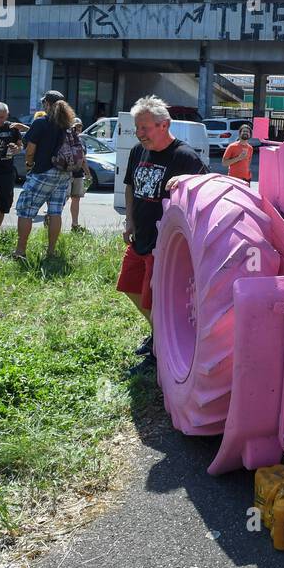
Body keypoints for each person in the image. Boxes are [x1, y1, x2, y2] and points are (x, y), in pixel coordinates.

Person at [116, 96, 207, 374]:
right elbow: (130, 186)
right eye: (137, 128)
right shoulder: (137, 151)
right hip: (139, 236)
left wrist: (190, 182)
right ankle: (159, 335)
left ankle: (159, 353)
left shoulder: (184, 157)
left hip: (165, 245)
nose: (139, 134)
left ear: (164, 124)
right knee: (129, 287)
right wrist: (129, 220)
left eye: (145, 128)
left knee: (155, 299)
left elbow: (206, 191)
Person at [12, 92, 78, 261]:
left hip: (43, 172)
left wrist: (28, 164)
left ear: (47, 104)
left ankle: (20, 252)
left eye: (43, 103)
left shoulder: (41, 122)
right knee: (55, 212)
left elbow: (31, 150)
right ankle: (51, 252)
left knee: (25, 211)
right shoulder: (67, 124)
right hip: (63, 174)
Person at [0, 102, 27, 233]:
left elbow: (20, 145)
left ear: (7, 115)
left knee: (2, 206)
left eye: (1, 117)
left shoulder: (13, 128)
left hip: (6, 173)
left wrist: (16, 148)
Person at [68, 118, 92, 232]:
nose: (78, 128)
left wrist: (87, 173)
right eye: (75, 126)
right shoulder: (66, 138)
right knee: (62, 199)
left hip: (78, 174)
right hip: (66, 173)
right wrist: (88, 174)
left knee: (76, 198)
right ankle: (51, 219)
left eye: (80, 126)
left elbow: (83, 159)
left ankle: (75, 224)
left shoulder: (82, 141)